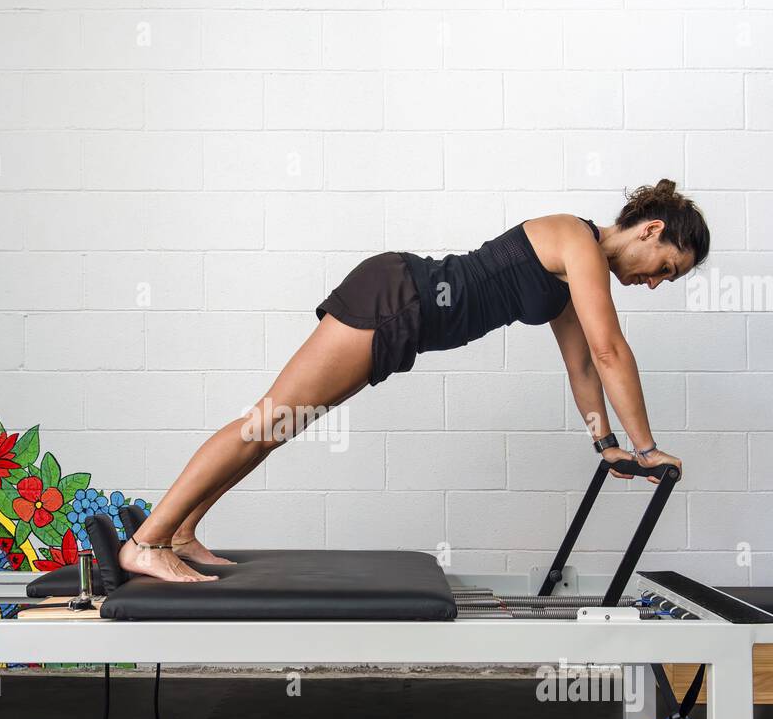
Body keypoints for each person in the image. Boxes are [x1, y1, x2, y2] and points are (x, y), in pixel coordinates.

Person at [120, 179, 710, 581]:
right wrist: (648, 449)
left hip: (403, 315)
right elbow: (611, 351)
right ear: (651, 229)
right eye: (666, 269)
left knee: (278, 428)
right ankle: (146, 542)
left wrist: (606, 445)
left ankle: (181, 533)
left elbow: (582, 363)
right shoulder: (576, 240)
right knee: (268, 420)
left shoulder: (574, 278)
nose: (656, 282)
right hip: (396, 299)